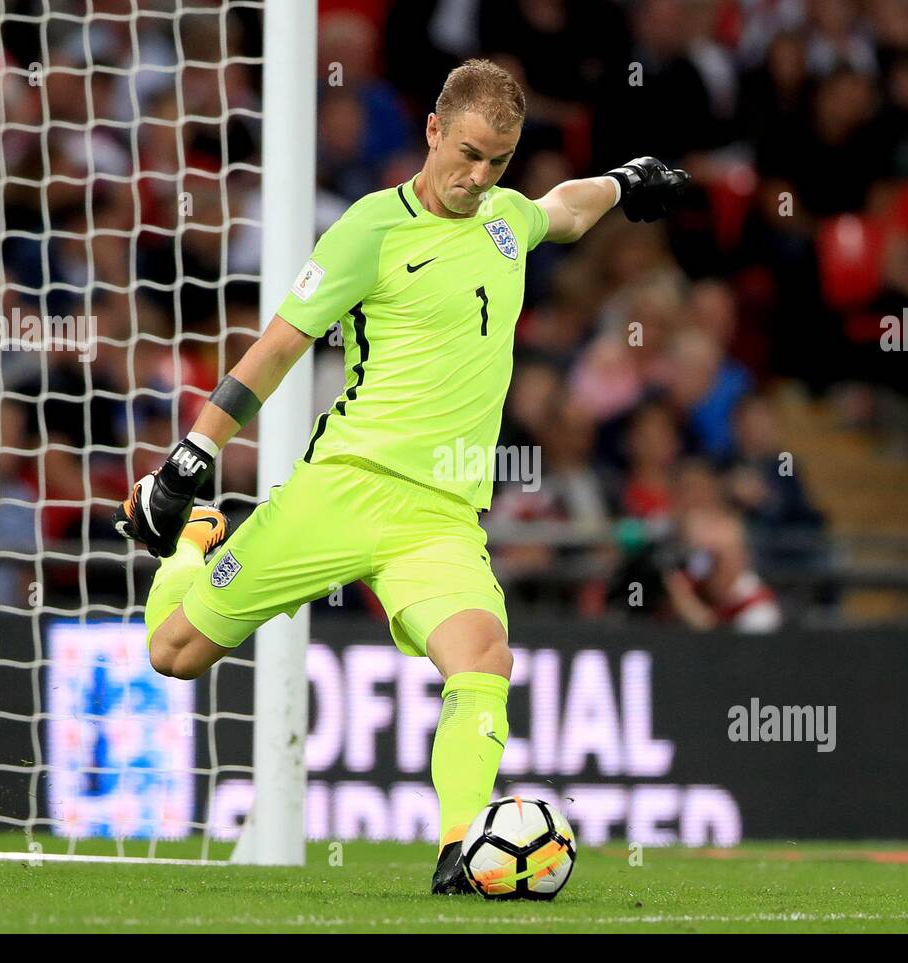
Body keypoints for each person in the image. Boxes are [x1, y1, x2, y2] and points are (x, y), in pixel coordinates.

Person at [113, 59, 689, 894]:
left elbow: (563, 209)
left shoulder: (503, 219)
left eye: (498, 160)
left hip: (442, 519)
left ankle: (462, 850)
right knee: (174, 654)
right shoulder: (368, 231)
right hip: (343, 486)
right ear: (431, 129)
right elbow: (279, 346)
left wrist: (624, 181)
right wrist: (192, 455)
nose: (478, 175)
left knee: (484, 657)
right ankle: (198, 542)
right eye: (467, 153)